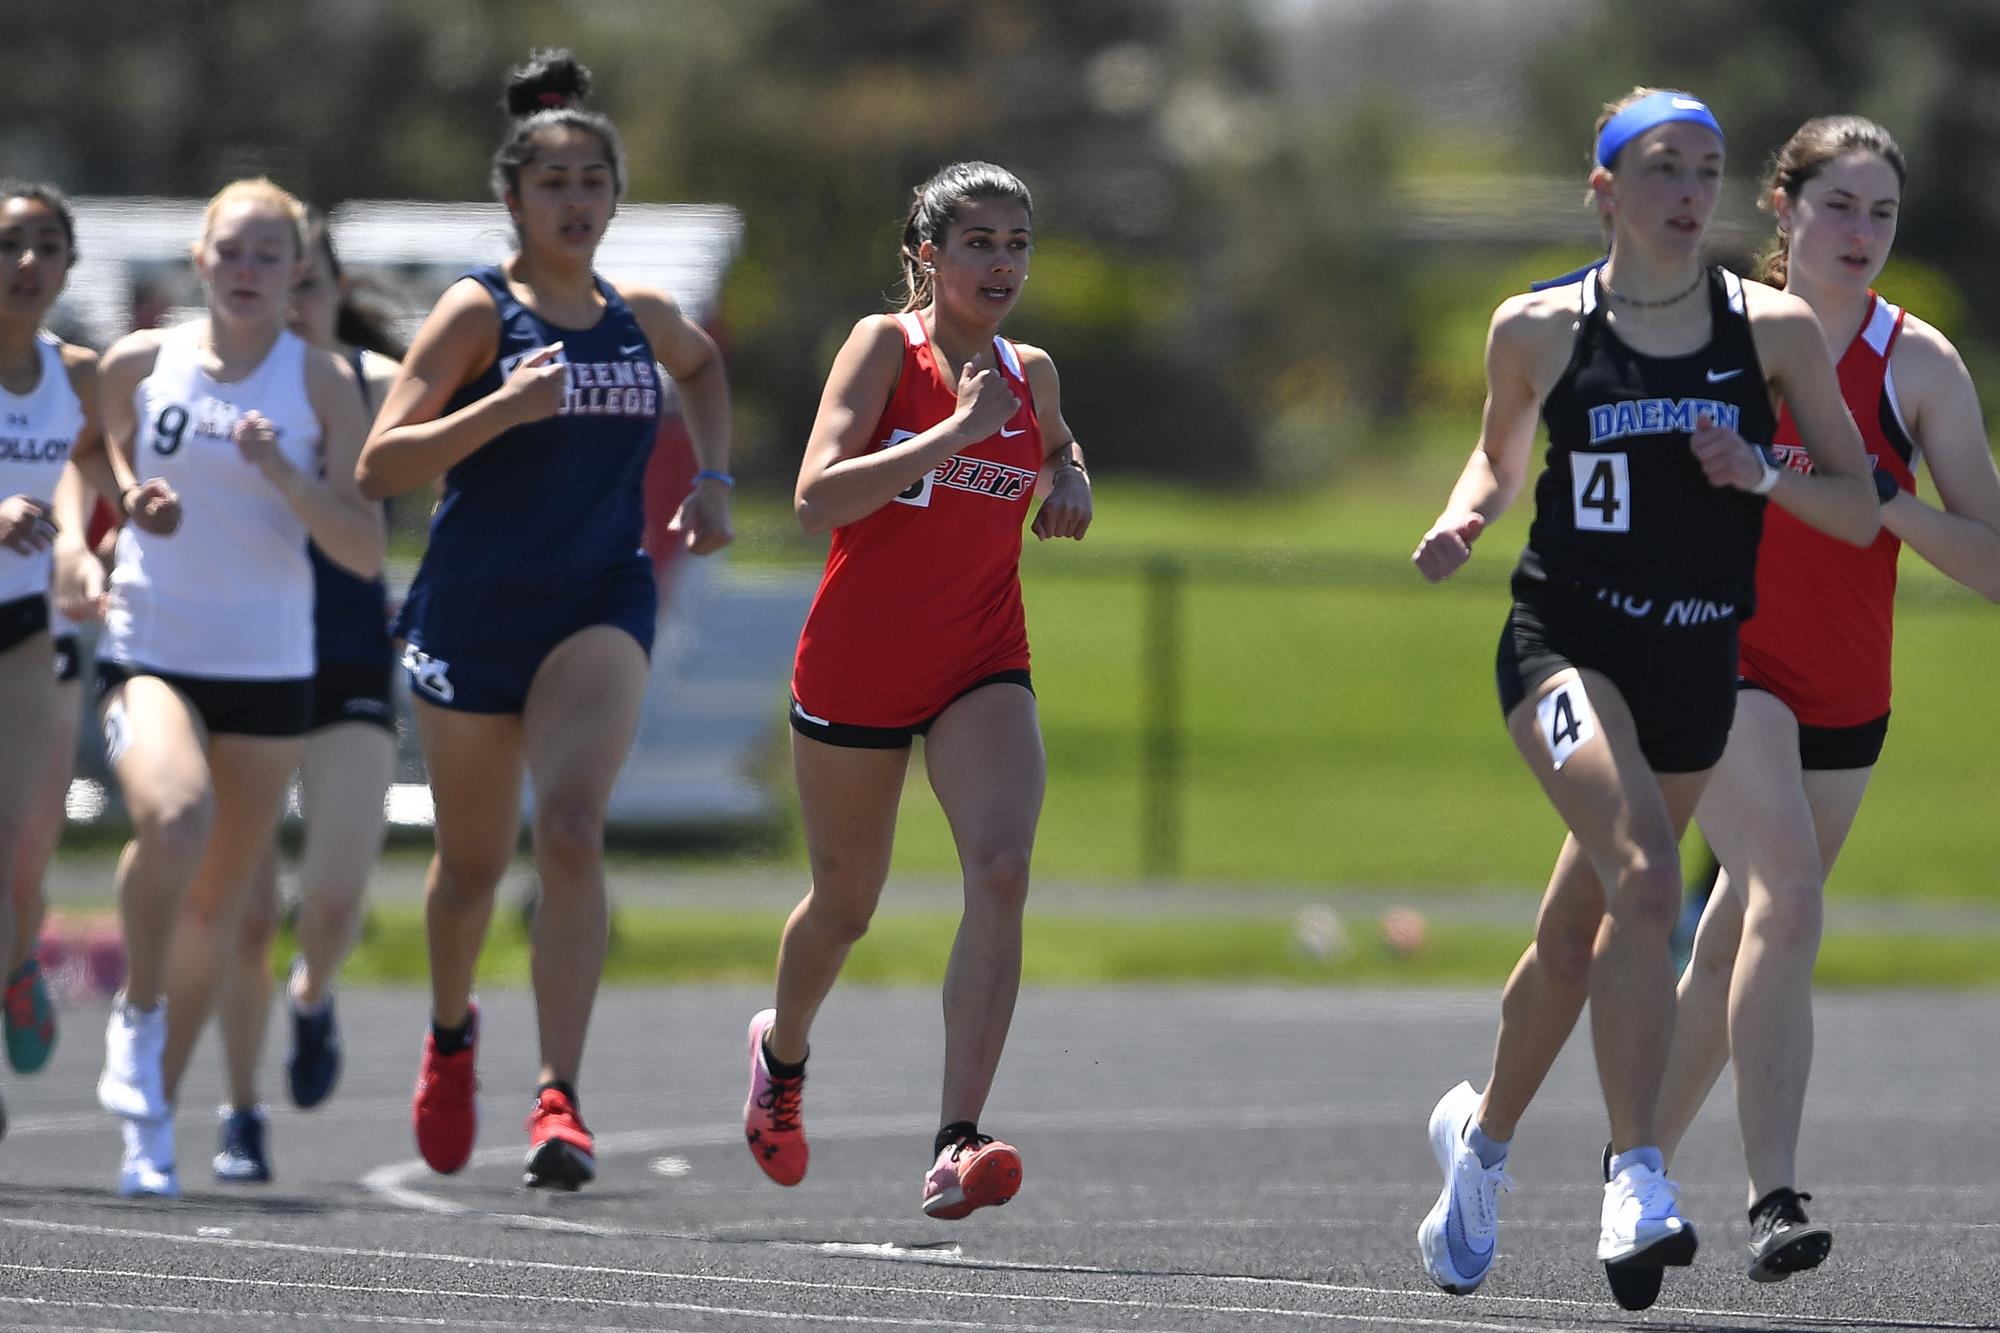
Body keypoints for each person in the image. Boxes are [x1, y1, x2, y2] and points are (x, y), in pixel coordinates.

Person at [1407, 88, 1879, 1308]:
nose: (1687, 191)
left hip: (1692, 663)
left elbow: (1854, 501)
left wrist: (1757, 473)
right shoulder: (1537, 325)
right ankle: (1636, 1176)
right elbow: (1497, 452)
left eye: (1706, 169)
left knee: (1576, 930)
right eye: (1662, 167)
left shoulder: (1768, 331)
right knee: (1645, 878)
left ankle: (1480, 1143)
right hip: (1561, 648)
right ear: (1604, 188)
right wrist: (1465, 514)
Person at [355, 48, 733, 1192]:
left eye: (592, 181)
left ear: (615, 199)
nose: (575, 200)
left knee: (569, 827)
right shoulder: (480, 312)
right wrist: (502, 408)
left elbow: (703, 370)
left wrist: (710, 478)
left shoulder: (642, 314)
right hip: (474, 611)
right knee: (469, 868)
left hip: (598, 600)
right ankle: (451, 1031)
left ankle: (559, 1093)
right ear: (512, 198)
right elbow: (382, 465)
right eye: (553, 181)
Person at [1650, 115, 2000, 1278]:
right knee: (1785, 899)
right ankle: (1771, 1196)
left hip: (1846, 691)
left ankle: (1630, 1170)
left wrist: (1876, 499)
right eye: (1837, 205)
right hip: (1718, 658)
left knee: (1735, 940)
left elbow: (1989, 559)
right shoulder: (1716, 335)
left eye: (1882, 211)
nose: (1861, 232)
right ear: (1782, 212)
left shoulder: (1917, 363)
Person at [741, 161, 1093, 1220]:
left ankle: (955, 1139)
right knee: (846, 904)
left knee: (1000, 867)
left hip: (979, 661)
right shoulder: (882, 349)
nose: (1001, 262)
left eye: (1017, 243)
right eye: (978, 242)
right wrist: (950, 435)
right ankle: (781, 1051)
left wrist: (1070, 471)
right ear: (928, 255)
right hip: (856, 666)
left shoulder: (1032, 371)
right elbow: (813, 500)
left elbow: (1056, 443)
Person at [81, 176, 382, 1197]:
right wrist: (122, 506)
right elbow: (96, 453)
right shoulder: (139, 362)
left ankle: (151, 1119)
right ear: (199, 261)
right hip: (151, 647)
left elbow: (362, 543)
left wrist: (287, 478)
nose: (249, 271)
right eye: (232, 251)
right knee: (175, 822)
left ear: (297, 271)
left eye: (270, 255)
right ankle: (133, 1018)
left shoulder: (321, 381)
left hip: (270, 669)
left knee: (221, 912)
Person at [210, 210, 407, 1183]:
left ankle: (314, 991)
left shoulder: (373, 389)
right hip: (239, 665)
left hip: (343, 663)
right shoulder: (216, 390)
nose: (292, 305)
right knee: (245, 913)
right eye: (277, 285)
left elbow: (453, 503)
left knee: (329, 899)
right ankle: (239, 1111)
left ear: (332, 292)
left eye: (310, 285)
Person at [0, 181, 101, 1128]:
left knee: (21, 852)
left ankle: (17, 964)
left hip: (26, 628)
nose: (26, 264)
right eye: (8, 245)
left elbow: (92, 465)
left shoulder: (75, 372)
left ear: (69, 265)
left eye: (45, 247)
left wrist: (87, 536)